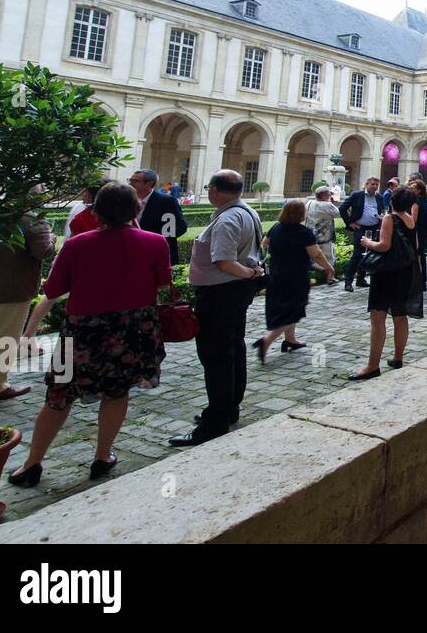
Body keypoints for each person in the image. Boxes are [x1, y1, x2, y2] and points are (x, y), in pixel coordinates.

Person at [9, 183, 169, 486]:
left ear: (96, 211)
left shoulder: (77, 245)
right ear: (136, 209)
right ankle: (102, 457)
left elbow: (53, 290)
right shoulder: (155, 242)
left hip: (84, 331)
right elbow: (162, 283)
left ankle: (32, 464)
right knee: (117, 392)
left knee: (58, 397)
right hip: (132, 329)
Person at [169, 170, 265, 446]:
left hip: (221, 293)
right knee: (233, 349)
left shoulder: (228, 218)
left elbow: (223, 262)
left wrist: (248, 274)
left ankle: (215, 422)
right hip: (235, 292)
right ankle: (229, 408)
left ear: (214, 191)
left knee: (216, 357)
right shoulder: (246, 211)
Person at [0, 207, 55, 405]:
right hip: (11, 287)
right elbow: (42, 250)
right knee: (3, 338)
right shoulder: (31, 217)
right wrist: (50, 238)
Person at [350, 187, 422, 380]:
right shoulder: (409, 218)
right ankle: (398, 358)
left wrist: (366, 242)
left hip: (387, 273)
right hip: (405, 272)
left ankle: (373, 366)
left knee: (378, 316)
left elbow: (384, 245)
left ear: (392, 201)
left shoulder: (389, 218)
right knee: (400, 315)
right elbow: (415, 246)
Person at [255, 201, 334, 361]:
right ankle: (266, 341)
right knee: (293, 310)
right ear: (300, 214)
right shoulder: (303, 232)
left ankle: (290, 339)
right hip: (296, 276)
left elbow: (264, 244)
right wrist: (328, 268)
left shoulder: (276, 228)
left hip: (276, 275)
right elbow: (316, 254)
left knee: (286, 307)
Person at [129, 169, 189, 266]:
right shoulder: (127, 199)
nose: (131, 183)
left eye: (135, 181)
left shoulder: (165, 202)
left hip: (156, 256)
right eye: (130, 180)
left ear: (149, 184)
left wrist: (155, 242)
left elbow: (180, 227)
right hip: (132, 254)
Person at [339, 177, 385, 291]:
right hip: (360, 228)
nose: (375, 187)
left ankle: (361, 279)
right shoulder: (357, 195)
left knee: (369, 254)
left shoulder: (379, 197)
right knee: (357, 254)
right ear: (366, 184)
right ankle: (348, 282)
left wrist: (381, 217)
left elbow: (381, 210)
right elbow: (342, 208)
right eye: (373, 184)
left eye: (376, 185)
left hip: (374, 228)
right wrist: (350, 223)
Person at [304, 186, 340, 280]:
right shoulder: (327, 205)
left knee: (311, 256)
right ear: (325, 195)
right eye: (329, 194)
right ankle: (330, 277)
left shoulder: (309, 203)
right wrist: (330, 202)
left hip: (310, 235)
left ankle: (313, 275)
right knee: (329, 258)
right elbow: (337, 213)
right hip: (324, 236)